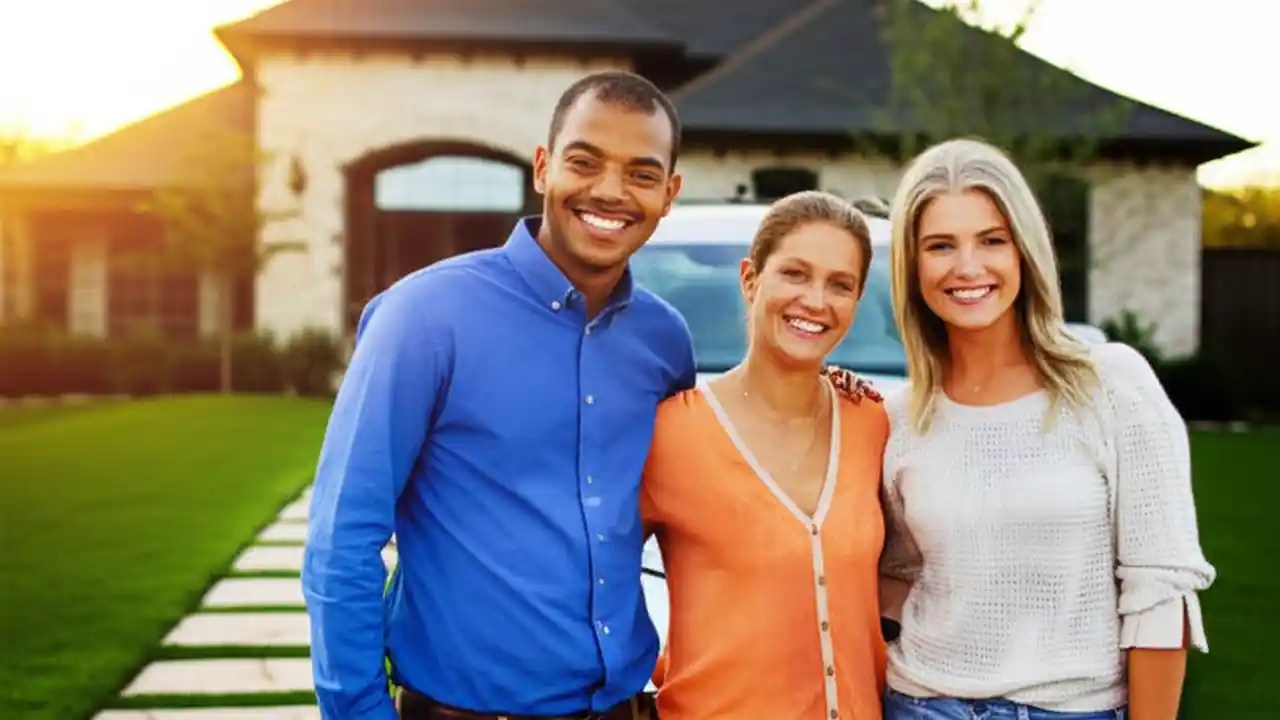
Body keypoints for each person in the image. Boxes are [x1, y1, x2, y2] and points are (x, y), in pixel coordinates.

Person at [301, 70, 693, 720]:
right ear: (542, 167)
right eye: (584, 162)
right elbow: (341, 539)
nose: (609, 191)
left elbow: (690, 521)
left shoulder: (665, 342)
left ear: (669, 193)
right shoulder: (424, 316)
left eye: (641, 173)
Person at [878, 138, 1216, 720]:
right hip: (922, 705)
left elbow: (1161, 594)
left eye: (992, 240)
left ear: (1024, 251)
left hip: (1073, 708)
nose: (968, 267)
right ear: (912, 266)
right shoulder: (902, 416)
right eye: (940, 245)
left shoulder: (1110, 384)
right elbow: (895, 575)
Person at [641, 190, 890, 720]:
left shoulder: (873, 422)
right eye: (795, 274)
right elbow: (595, 584)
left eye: (840, 284)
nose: (816, 301)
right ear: (750, 279)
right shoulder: (669, 433)